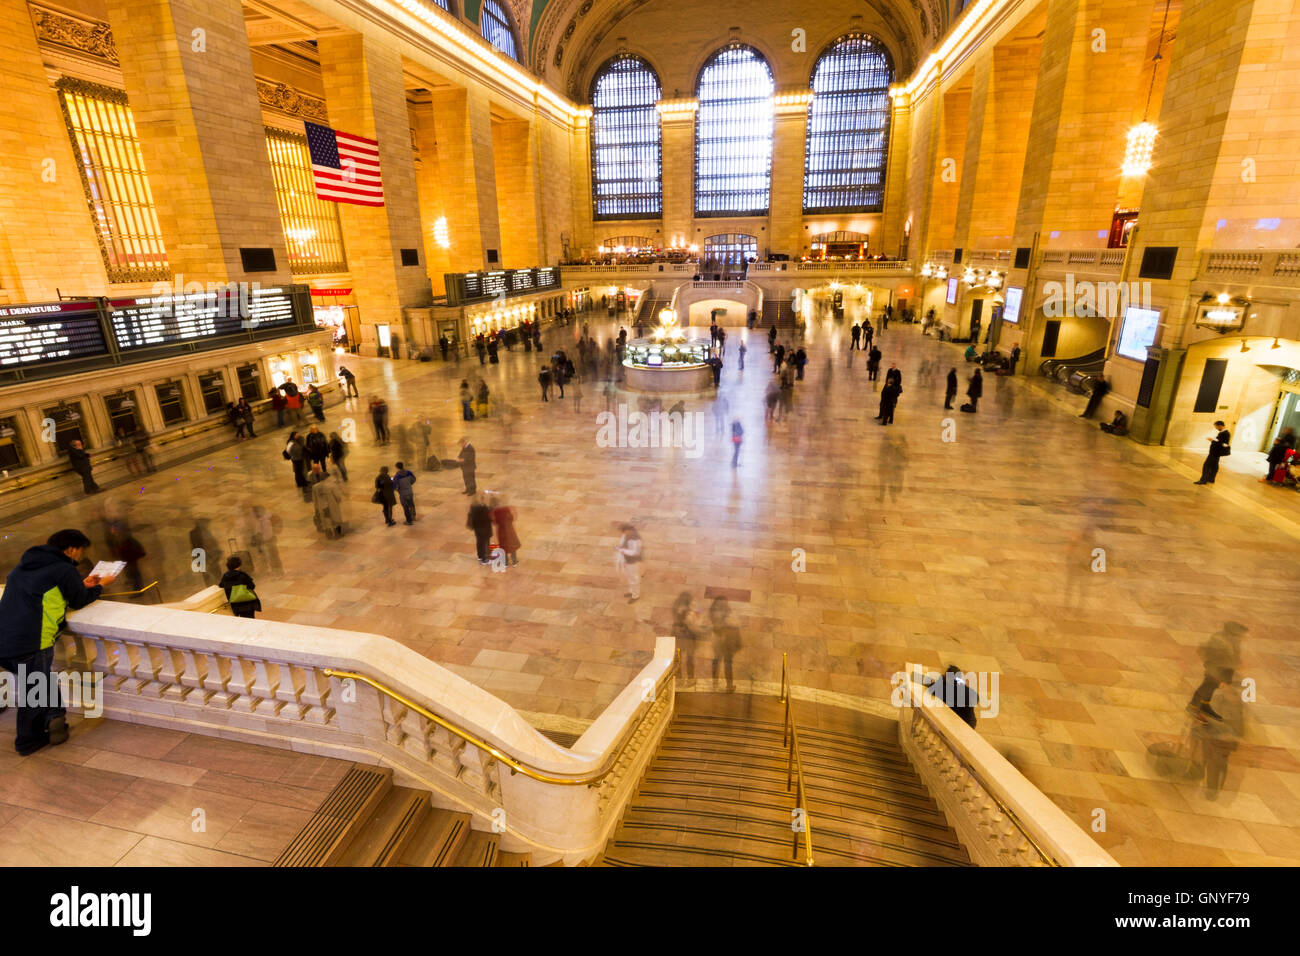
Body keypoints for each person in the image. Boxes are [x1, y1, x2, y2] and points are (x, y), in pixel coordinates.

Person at [0, 529, 114, 755]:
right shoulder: (63, 568)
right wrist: (102, 585)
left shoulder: (25, 565)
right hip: (32, 640)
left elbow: (48, 591)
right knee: (36, 690)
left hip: (4, 636)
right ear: (72, 549)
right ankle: (27, 741)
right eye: (81, 551)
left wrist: (81, 583)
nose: (80, 556)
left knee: (41, 681)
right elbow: (79, 600)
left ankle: (56, 719)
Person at [309, 464, 345, 538]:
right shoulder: (331, 486)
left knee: (326, 520)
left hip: (322, 506)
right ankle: (337, 534)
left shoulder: (315, 487)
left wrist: (316, 507)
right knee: (335, 520)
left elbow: (314, 498)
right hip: (332, 505)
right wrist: (338, 501)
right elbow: (337, 497)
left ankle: (328, 534)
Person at [1195, 421, 1232, 485]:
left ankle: (1203, 480)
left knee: (1206, 466)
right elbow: (1220, 441)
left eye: (1216, 426)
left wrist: (1212, 440)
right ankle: (1211, 479)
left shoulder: (1225, 433)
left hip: (1215, 453)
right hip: (1216, 453)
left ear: (1220, 425)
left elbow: (1223, 444)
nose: (1216, 428)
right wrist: (1214, 440)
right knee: (1214, 466)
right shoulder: (1222, 433)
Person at [489, 493, 521, 566]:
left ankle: (505, 562)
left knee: (503, 546)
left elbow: (494, 522)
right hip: (509, 530)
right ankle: (514, 561)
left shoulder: (495, 512)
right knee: (512, 545)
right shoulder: (507, 509)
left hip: (501, 531)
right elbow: (512, 518)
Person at [615, 524, 642, 603]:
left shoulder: (636, 539)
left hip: (632, 561)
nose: (623, 534)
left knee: (634, 578)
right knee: (629, 576)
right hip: (625, 559)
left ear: (629, 530)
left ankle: (636, 595)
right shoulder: (625, 534)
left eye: (624, 532)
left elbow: (636, 552)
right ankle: (631, 591)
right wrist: (620, 547)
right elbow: (622, 542)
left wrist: (623, 551)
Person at [467, 492, 493, 564]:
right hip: (484, 528)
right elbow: (489, 516)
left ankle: (480, 556)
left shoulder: (473, 506)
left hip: (477, 528)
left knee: (479, 542)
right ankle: (485, 559)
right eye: (482, 498)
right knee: (485, 543)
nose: (484, 499)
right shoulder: (482, 508)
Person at [284, 431, 308, 497]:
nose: (298, 436)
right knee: (298, 472)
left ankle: (300, 482)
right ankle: (301, 483)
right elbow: (288, 451)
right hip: (296, 459)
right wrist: (295, 453)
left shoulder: (297, 440)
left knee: (300, 471)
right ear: (293, 436)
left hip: (300, 458)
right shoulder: (291, 443)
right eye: (296, 435)